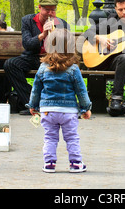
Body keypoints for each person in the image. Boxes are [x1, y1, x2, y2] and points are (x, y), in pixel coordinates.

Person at [26, 28, 92, 173]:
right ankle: (76, 164)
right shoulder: (73, 69)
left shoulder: (43, 68)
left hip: (48, 111)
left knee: (50, 137)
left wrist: (33, 106)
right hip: (68, 112)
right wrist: (85, 108)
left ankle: (49, 163)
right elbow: (81, 91)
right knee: (72, 138)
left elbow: (36, 89)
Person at [4, 0, 69, 114]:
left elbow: (65, 48)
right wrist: (43, 35)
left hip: (52, 59)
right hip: (33, 57)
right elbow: (27, 44)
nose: (50, 13)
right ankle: (32, 104)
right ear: (39, 8)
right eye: (47, 10)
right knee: (10, 64)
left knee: (63, 69)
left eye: (53, 10)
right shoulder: (27, 20)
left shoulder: (62, 23)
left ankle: (54, 104)